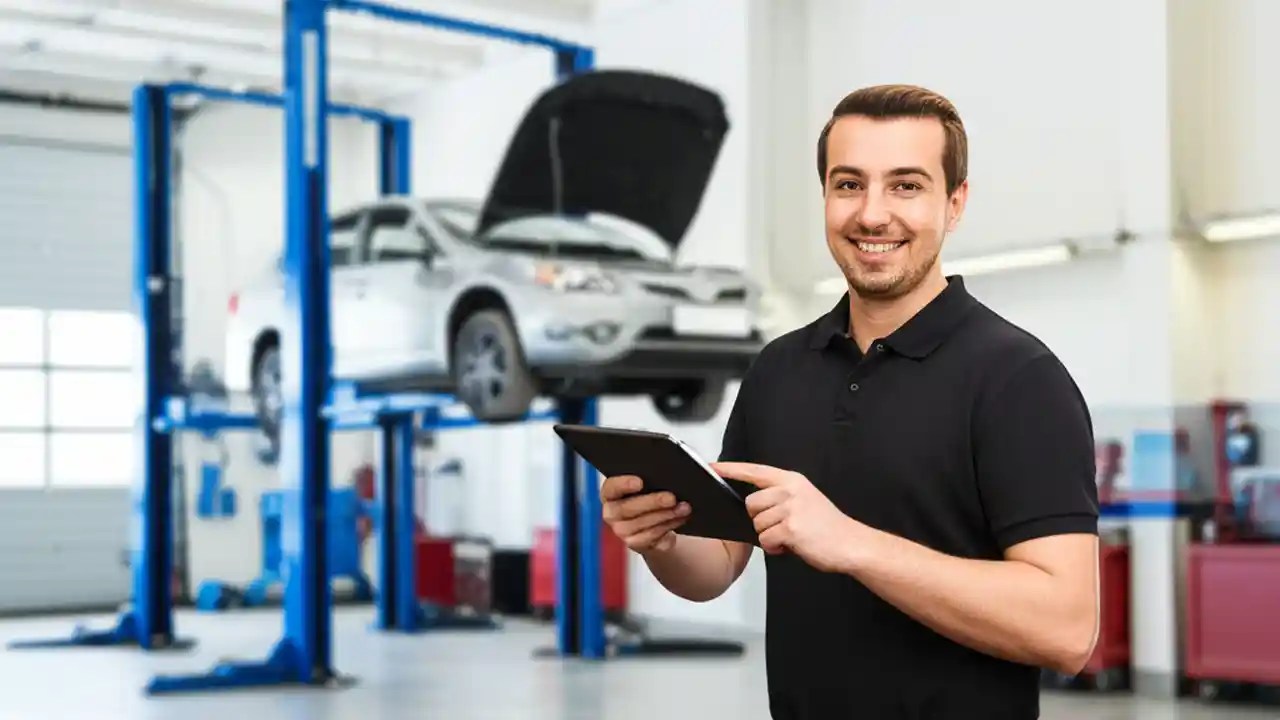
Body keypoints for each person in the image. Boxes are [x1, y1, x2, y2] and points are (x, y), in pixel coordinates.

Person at [599, 84, 1100, 719]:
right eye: (848, 184)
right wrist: (661, 540)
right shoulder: (779, 369)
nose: (871, 214)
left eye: (906, 186)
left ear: (955, 203)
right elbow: (718, 566)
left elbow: (1066, 631)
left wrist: (853, 543)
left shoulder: (1019, 379)